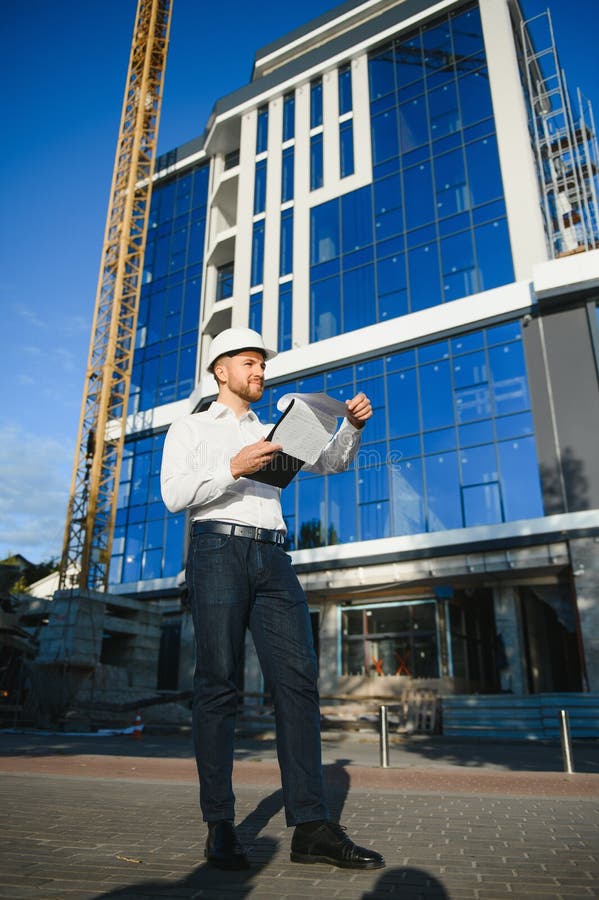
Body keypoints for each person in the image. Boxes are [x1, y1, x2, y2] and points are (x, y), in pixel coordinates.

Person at [160, 327, 385, 872]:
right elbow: (173, 495)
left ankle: (311, 827)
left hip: (274, 557)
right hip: (217, 549)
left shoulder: (272, 430)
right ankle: (220, 826)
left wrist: (351, 428)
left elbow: (332, 464)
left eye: (262, 364)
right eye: (250, 362)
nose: (260, 371)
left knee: (298, 684)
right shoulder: (190, 427)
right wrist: (233, 467)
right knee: (218, 685)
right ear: (221, 371)